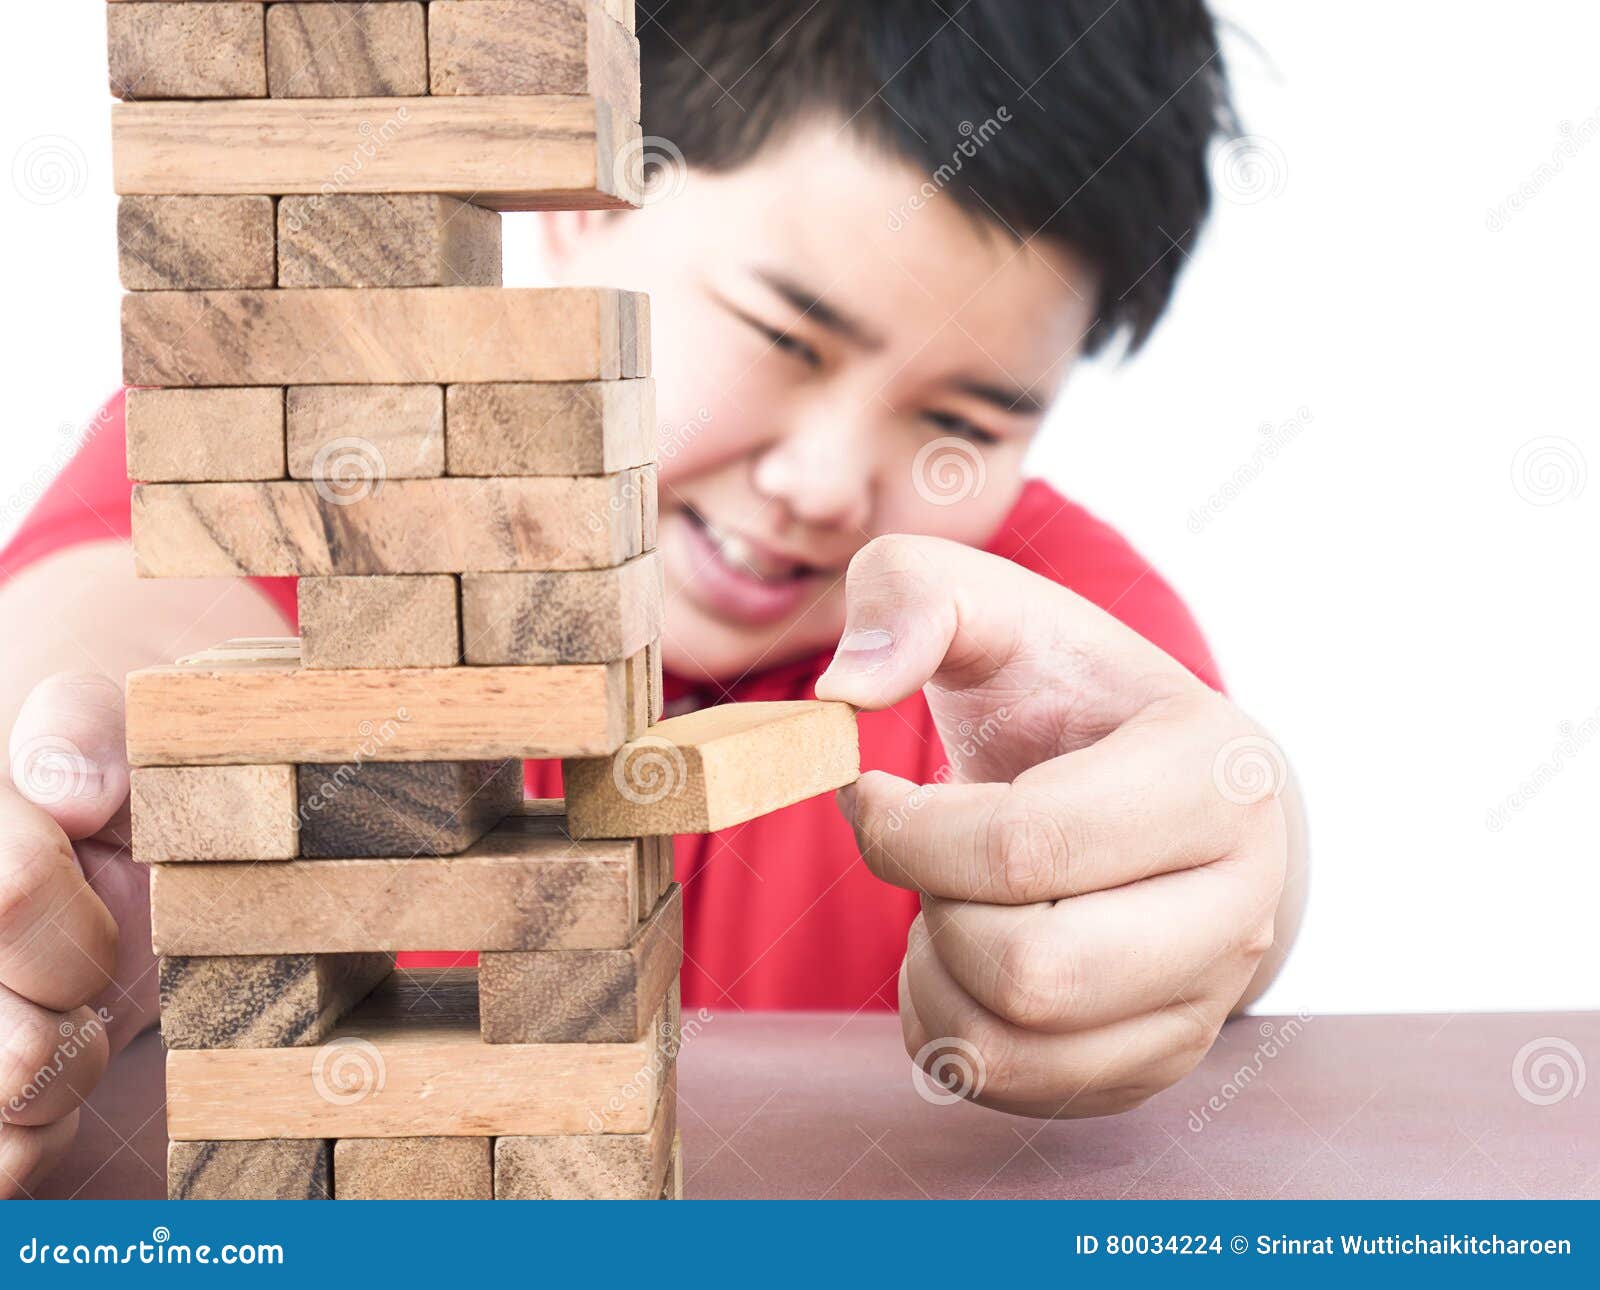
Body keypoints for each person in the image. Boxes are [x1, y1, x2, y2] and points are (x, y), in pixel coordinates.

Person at [0, 0, 1306, 1193]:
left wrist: (1257, 866)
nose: (823, 481)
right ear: (590, 204)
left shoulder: (1036, 618)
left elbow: (1195, 797)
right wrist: (70, 798)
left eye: (964, 417)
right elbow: (108, 630)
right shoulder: (310, 446)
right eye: (785, 338)